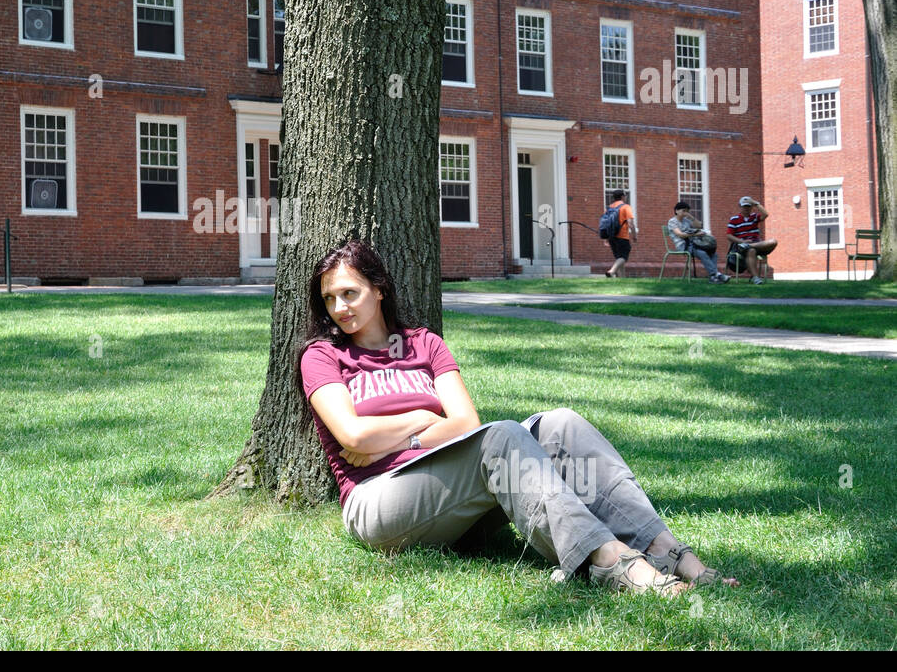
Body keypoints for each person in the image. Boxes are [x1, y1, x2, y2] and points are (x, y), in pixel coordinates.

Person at [298, 239, 737, 593]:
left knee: (561, 423)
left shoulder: (423, 343)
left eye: (350, 293)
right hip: (378, 500)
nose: (340, 308)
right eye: (330, 298)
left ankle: (670, 552)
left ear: (379, 289)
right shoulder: (323, 355)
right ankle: (611, 562)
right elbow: (353, 436)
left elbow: (466, 423)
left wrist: (401, 435)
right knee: (501, 437)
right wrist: (427, 419)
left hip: (460, 499)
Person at [667, 201, 730, 283]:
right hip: (683, 245)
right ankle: (716, 275)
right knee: (702, 253)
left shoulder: (686, 220)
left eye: (687, 211)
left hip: (694, 243)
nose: (685, 213)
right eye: (683, 211)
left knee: (713, 253)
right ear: (676, 211)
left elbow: (699, 226)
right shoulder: (672, 221)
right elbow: (680, 235)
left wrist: (691, 217)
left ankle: (713, 276)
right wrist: (695, 234)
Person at [726, 196, 777, 285]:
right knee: (751, 251)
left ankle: (749, 246)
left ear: (752, 207)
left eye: (749, 206)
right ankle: (756, 278)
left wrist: (755, 203)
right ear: (740, 206)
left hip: (756, 244)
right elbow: (729, 236)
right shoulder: (734, 219)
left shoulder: (754, 217)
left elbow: (765, 214)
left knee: (773, 241)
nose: (746, 208)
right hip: (741, 245)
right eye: (744, 206)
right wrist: (742, 242)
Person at [603, 189, 637, 278]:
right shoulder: (626, 207)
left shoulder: (609, 208)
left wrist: (606, 239)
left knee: (619, 258)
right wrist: (634, 235)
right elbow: (630, 223)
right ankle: (611, 271)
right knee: (623, 257)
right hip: (622, 236)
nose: (625, 197)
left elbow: (606, 224)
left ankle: (622, 279)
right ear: (622, 197)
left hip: (611, 237)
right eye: (625, 196)